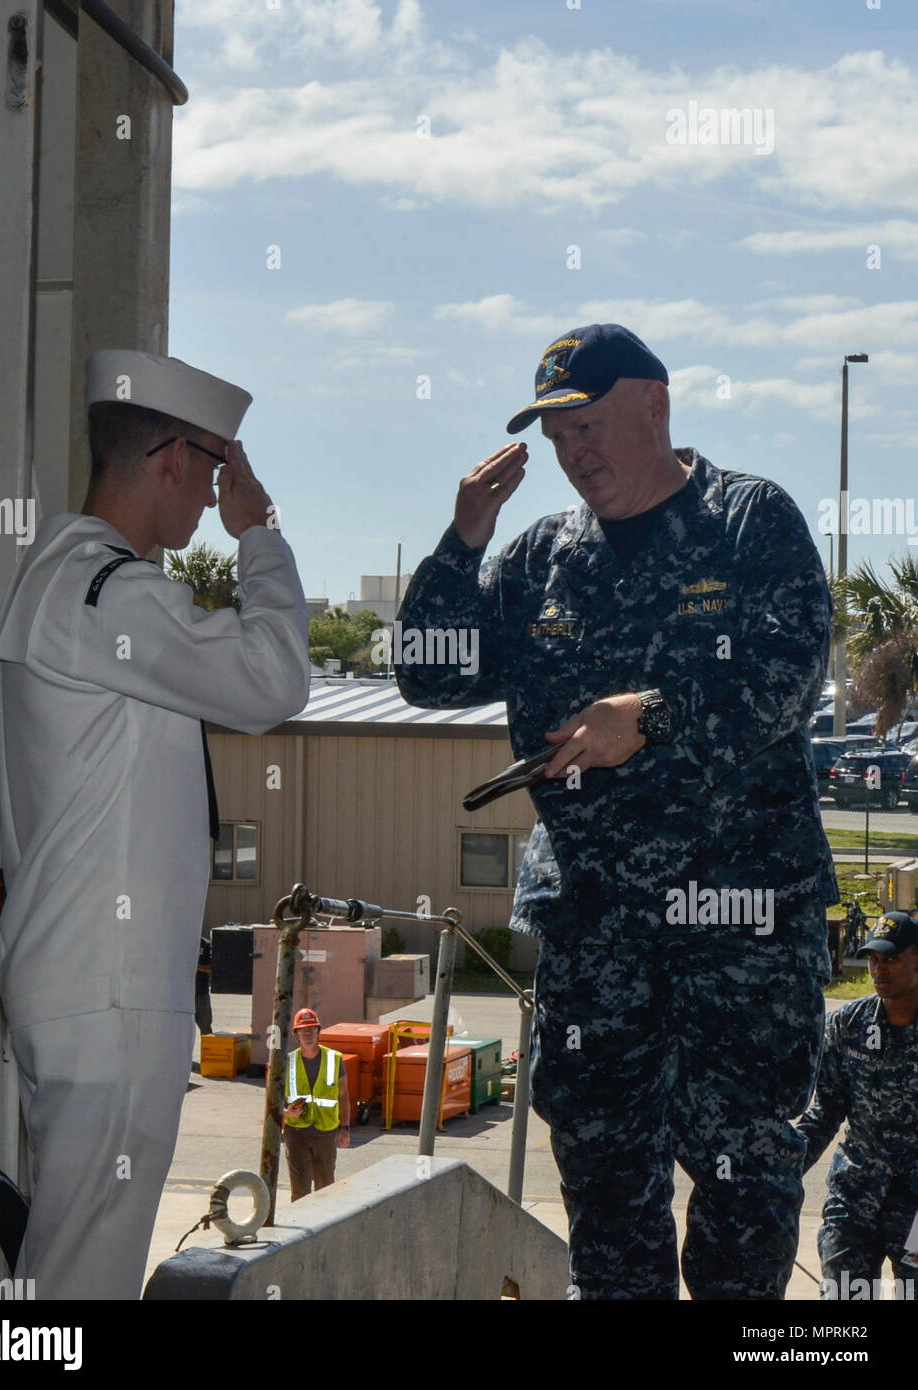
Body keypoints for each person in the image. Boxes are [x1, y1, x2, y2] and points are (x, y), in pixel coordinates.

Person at [396, 323, 837, 1300]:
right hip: (596, 937)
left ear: (653, 405)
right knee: (606, 1203)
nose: (573, 451)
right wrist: (461, 541)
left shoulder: (748, 519)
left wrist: (653, 713)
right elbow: (429, 677)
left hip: (739, 933)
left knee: (742, 1194)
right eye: (556, 436)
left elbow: (788, 677)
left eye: (588, 425)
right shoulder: (541, 557)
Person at [0, 349, 310, 1300]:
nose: (213, 497)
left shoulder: (57, 581)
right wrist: (262, 537)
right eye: (211, 470)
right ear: (169, 457)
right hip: (108, 995)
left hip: (82, 981)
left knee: (66, 1266)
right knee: (84, 1283)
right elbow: (272, 681)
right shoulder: (108, 594)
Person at [794, 910, 918, 1299]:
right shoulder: (848, 1025)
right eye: (874, 959)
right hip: (855, 1200)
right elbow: (825, 1111)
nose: (879, 969)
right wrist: (780, 1168)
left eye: (892, 959)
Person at [282, 1007, 350, 1201]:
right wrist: (286, 1113)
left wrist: (344, 1127)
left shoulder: (334, 1059)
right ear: (296, 1034)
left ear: (319, 1031)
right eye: (304, 1030)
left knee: (325, 1188)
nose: (309, 1034)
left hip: (326, 1132)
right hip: (296, 1133)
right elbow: (273, 1098)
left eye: (312, 1029)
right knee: (300, 1190)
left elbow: (344, 1095)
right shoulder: (288, 1062)